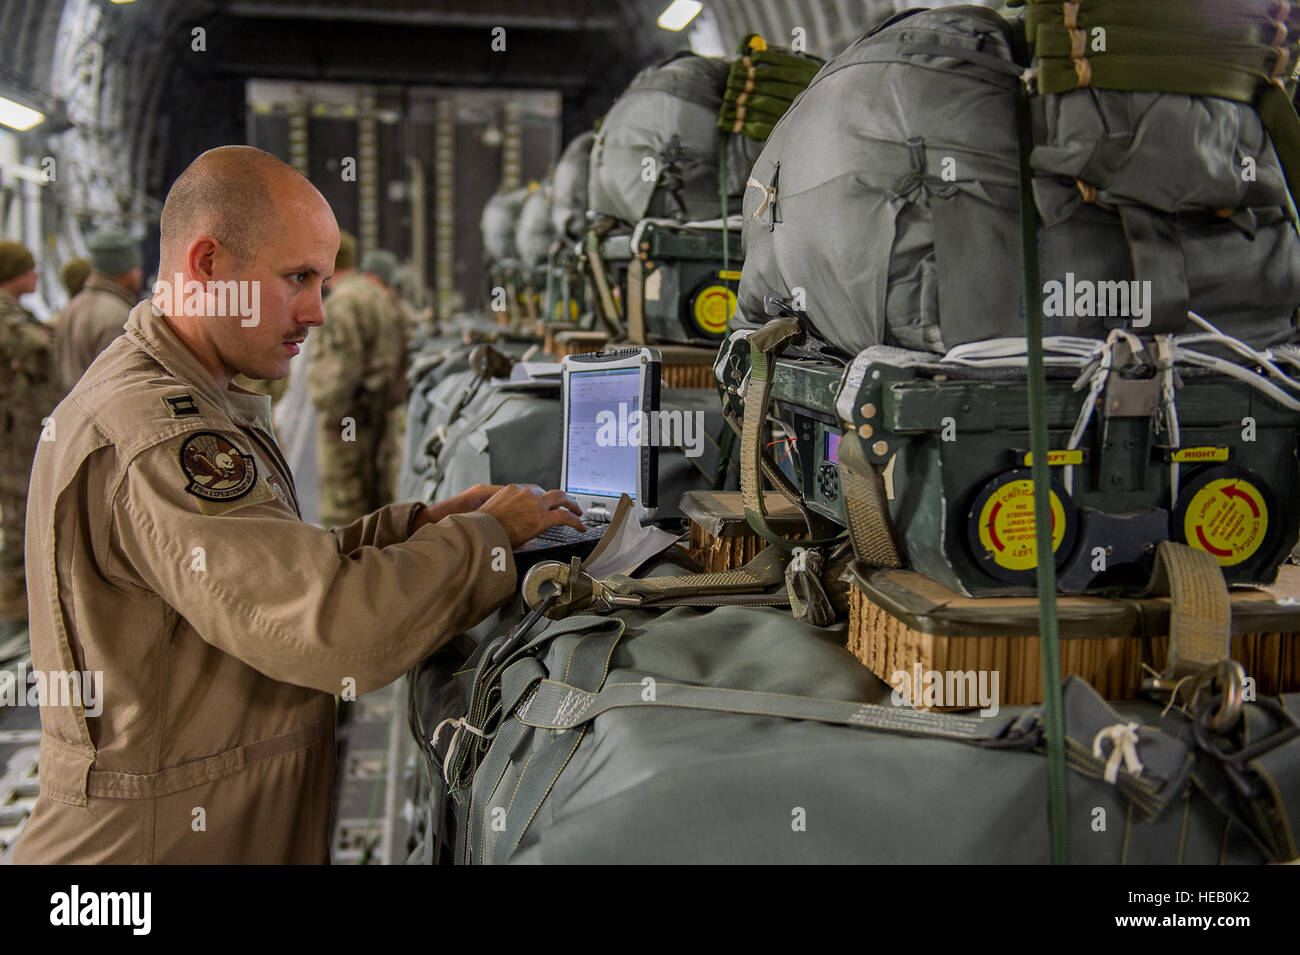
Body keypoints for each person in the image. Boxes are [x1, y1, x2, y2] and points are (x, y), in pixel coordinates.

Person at [14, 145, 585, 864]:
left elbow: (263, 569)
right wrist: (485, 543)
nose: (316, 310)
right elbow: (331, 627)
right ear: (209, 265)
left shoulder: (199, 393)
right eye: (298, 278)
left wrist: (414, 529)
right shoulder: (160, 432)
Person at [307, 239, 408, 526]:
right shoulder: (382, 297)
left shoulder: (342, 303)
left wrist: (330, 416)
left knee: (343, 512)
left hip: (347, 424)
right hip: (379, 421)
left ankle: (344, 569)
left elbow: (339, 371)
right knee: (378, 514)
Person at [0, 241, 56, 621]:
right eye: (30, 268)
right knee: (17, 504)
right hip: (14, 430)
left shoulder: (17, 313)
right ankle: (10, 593)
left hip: (23, 428)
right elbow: (28, 344)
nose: (36, 274)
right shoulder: (7, 317)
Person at [49, 226, 142, 392]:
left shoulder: (72, 306)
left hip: (69, 410)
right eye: (136, 268)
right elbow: (118, 384)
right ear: (125, 271)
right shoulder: (119, 316)